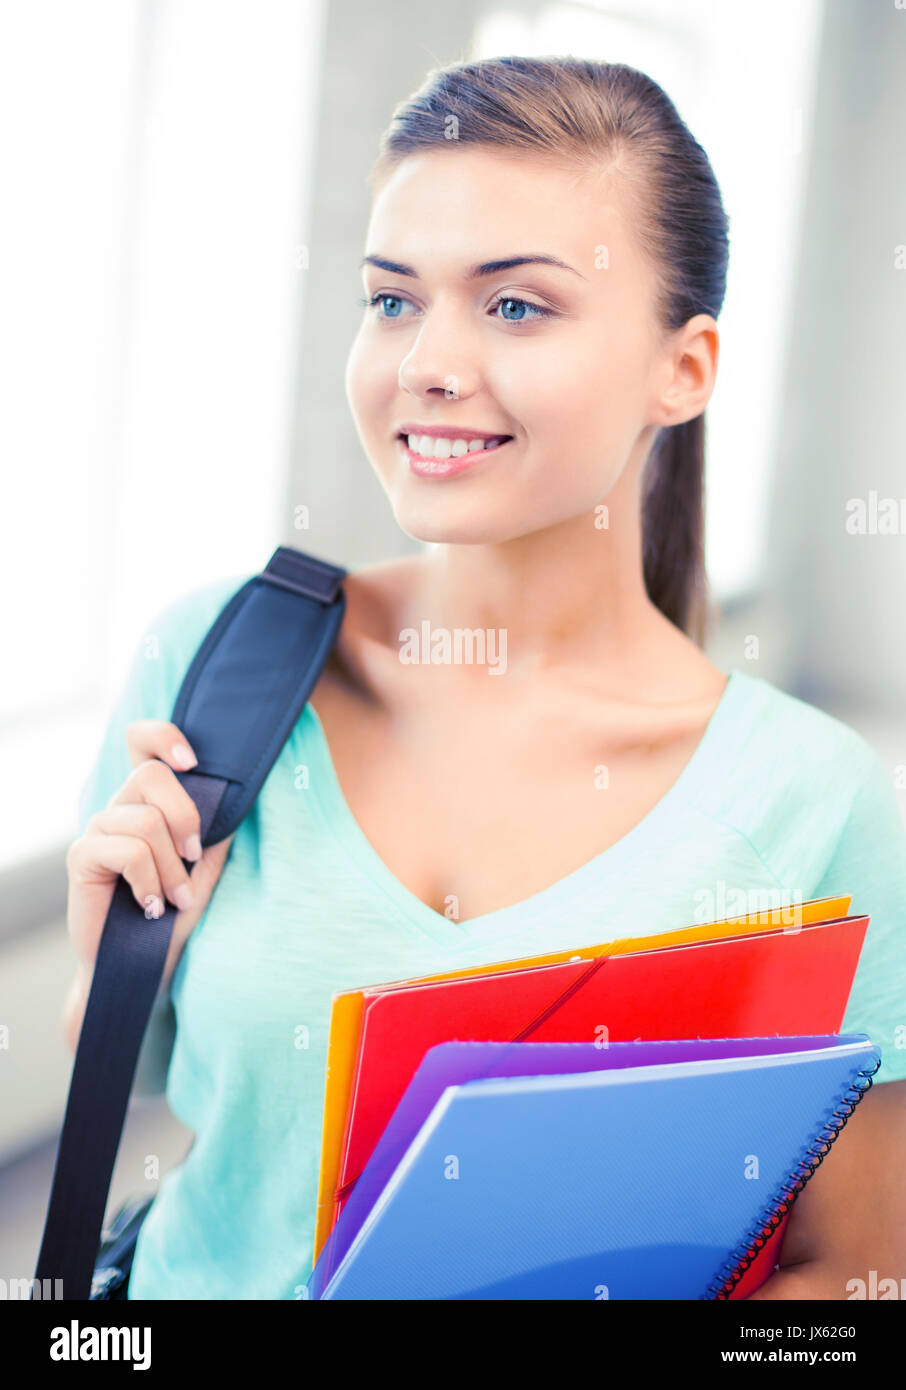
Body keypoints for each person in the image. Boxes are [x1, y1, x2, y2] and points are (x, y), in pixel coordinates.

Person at [62, 56, 906, 1300]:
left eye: (516, 306)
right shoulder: (217, 661)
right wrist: (115, 960)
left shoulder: (818, 805)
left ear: (686, 367)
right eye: (392, 300)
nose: (428, 364)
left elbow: (858, 1278)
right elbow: (152, 1098)